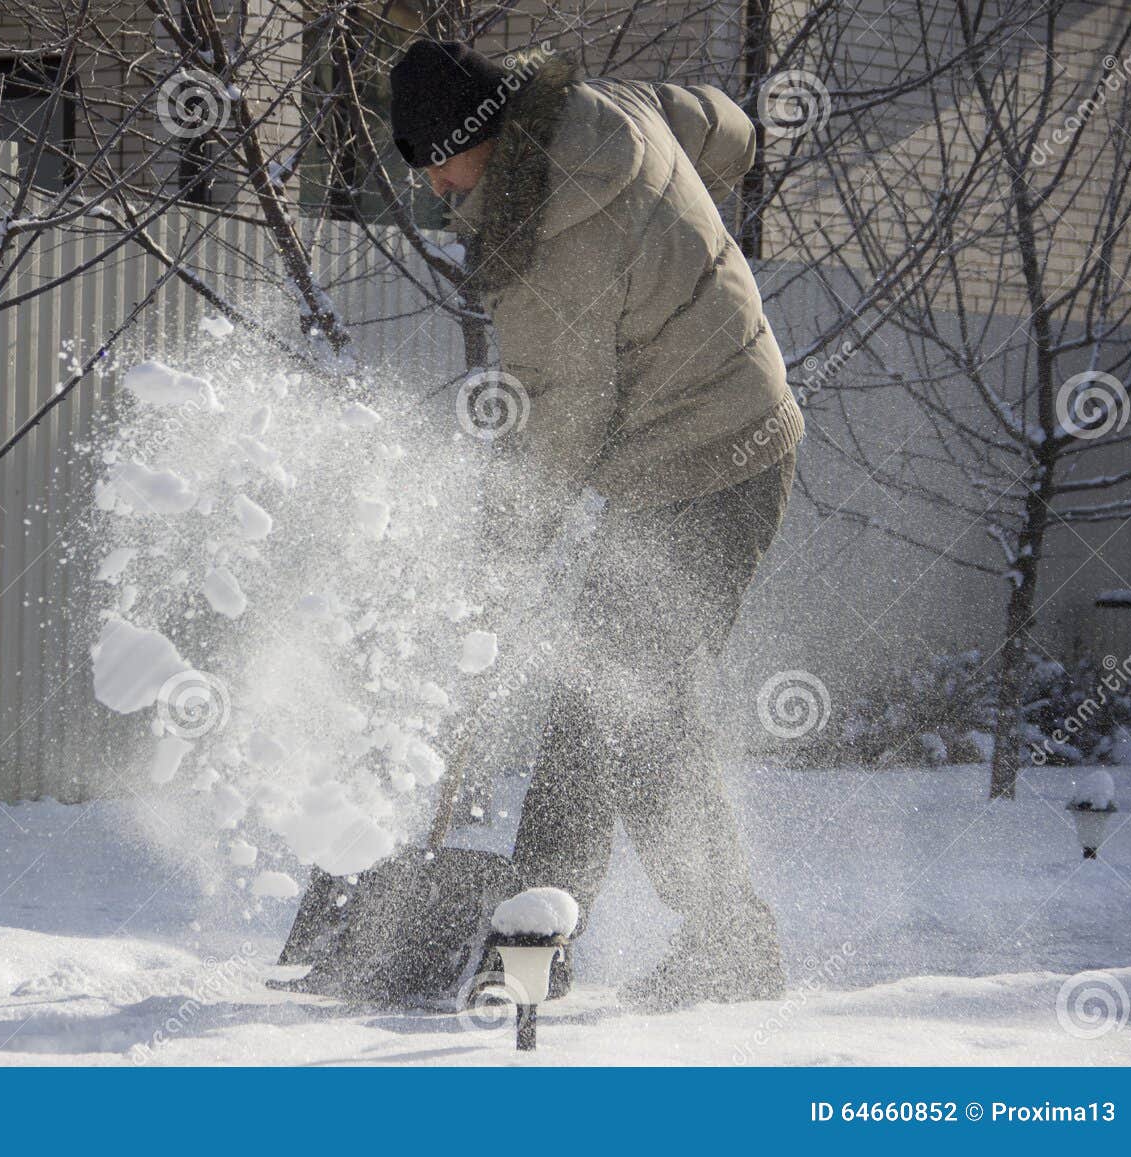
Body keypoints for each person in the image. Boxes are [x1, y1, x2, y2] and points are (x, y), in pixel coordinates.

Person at [389, 40, 804, 1011]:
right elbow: (723, 128)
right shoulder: (608, 106)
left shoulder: (543, 250)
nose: (436, 184)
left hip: (707, 463)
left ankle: (728, 943)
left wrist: (502, 558)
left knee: (641, 714)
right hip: (729, 434)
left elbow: (557, 423)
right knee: (591, 705)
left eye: (438, 163)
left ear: (476, 138)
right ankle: (538, 931)